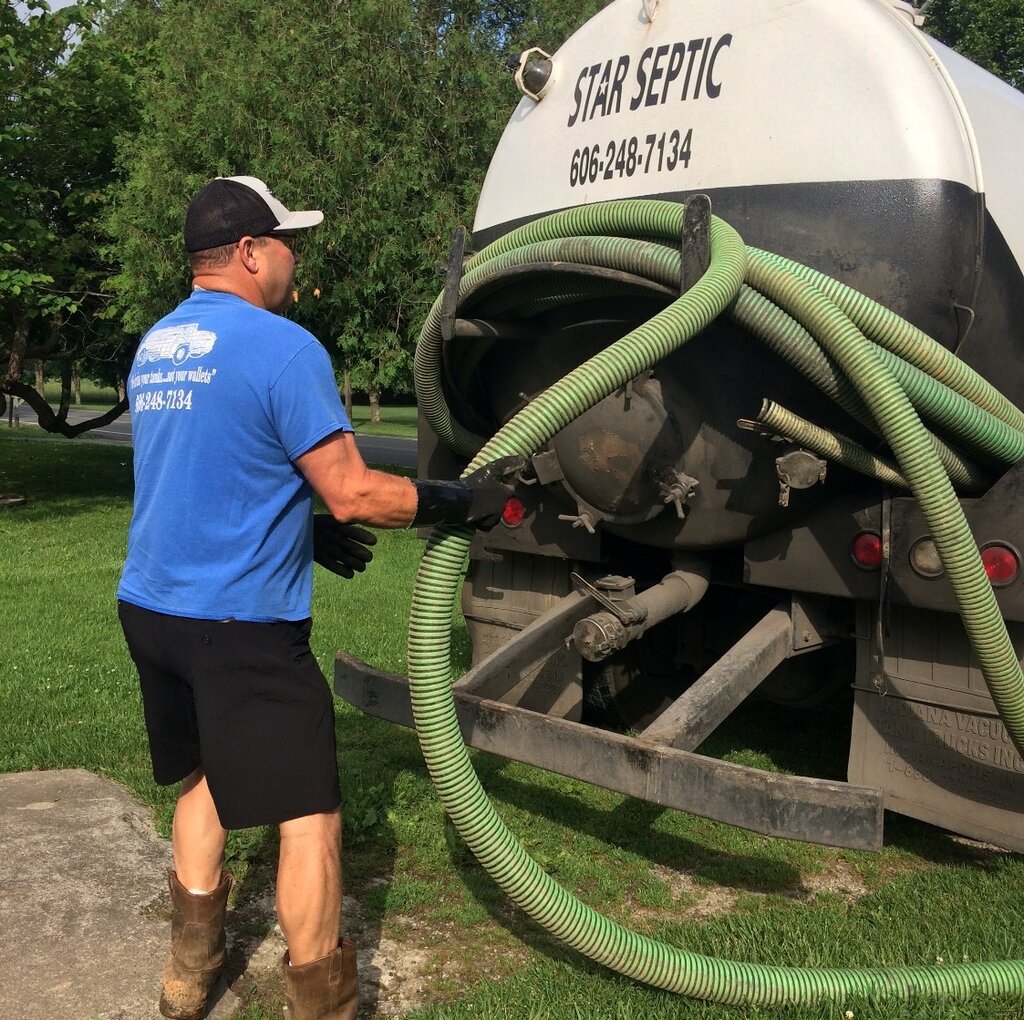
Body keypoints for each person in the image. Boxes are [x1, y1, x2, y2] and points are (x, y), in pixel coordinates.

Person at [117, 175, 516, 1020]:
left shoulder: (156, 344)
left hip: (152, 611)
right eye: (289, 241)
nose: (297, 259)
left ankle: (187, 977)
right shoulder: (284, 346)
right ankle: (324, 1008)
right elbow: (357, 494)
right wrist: (457, 500)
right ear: (253, 253)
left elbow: (201, 469)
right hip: (242, 629)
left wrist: (291, 523)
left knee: (202, 780)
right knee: (308, 820)